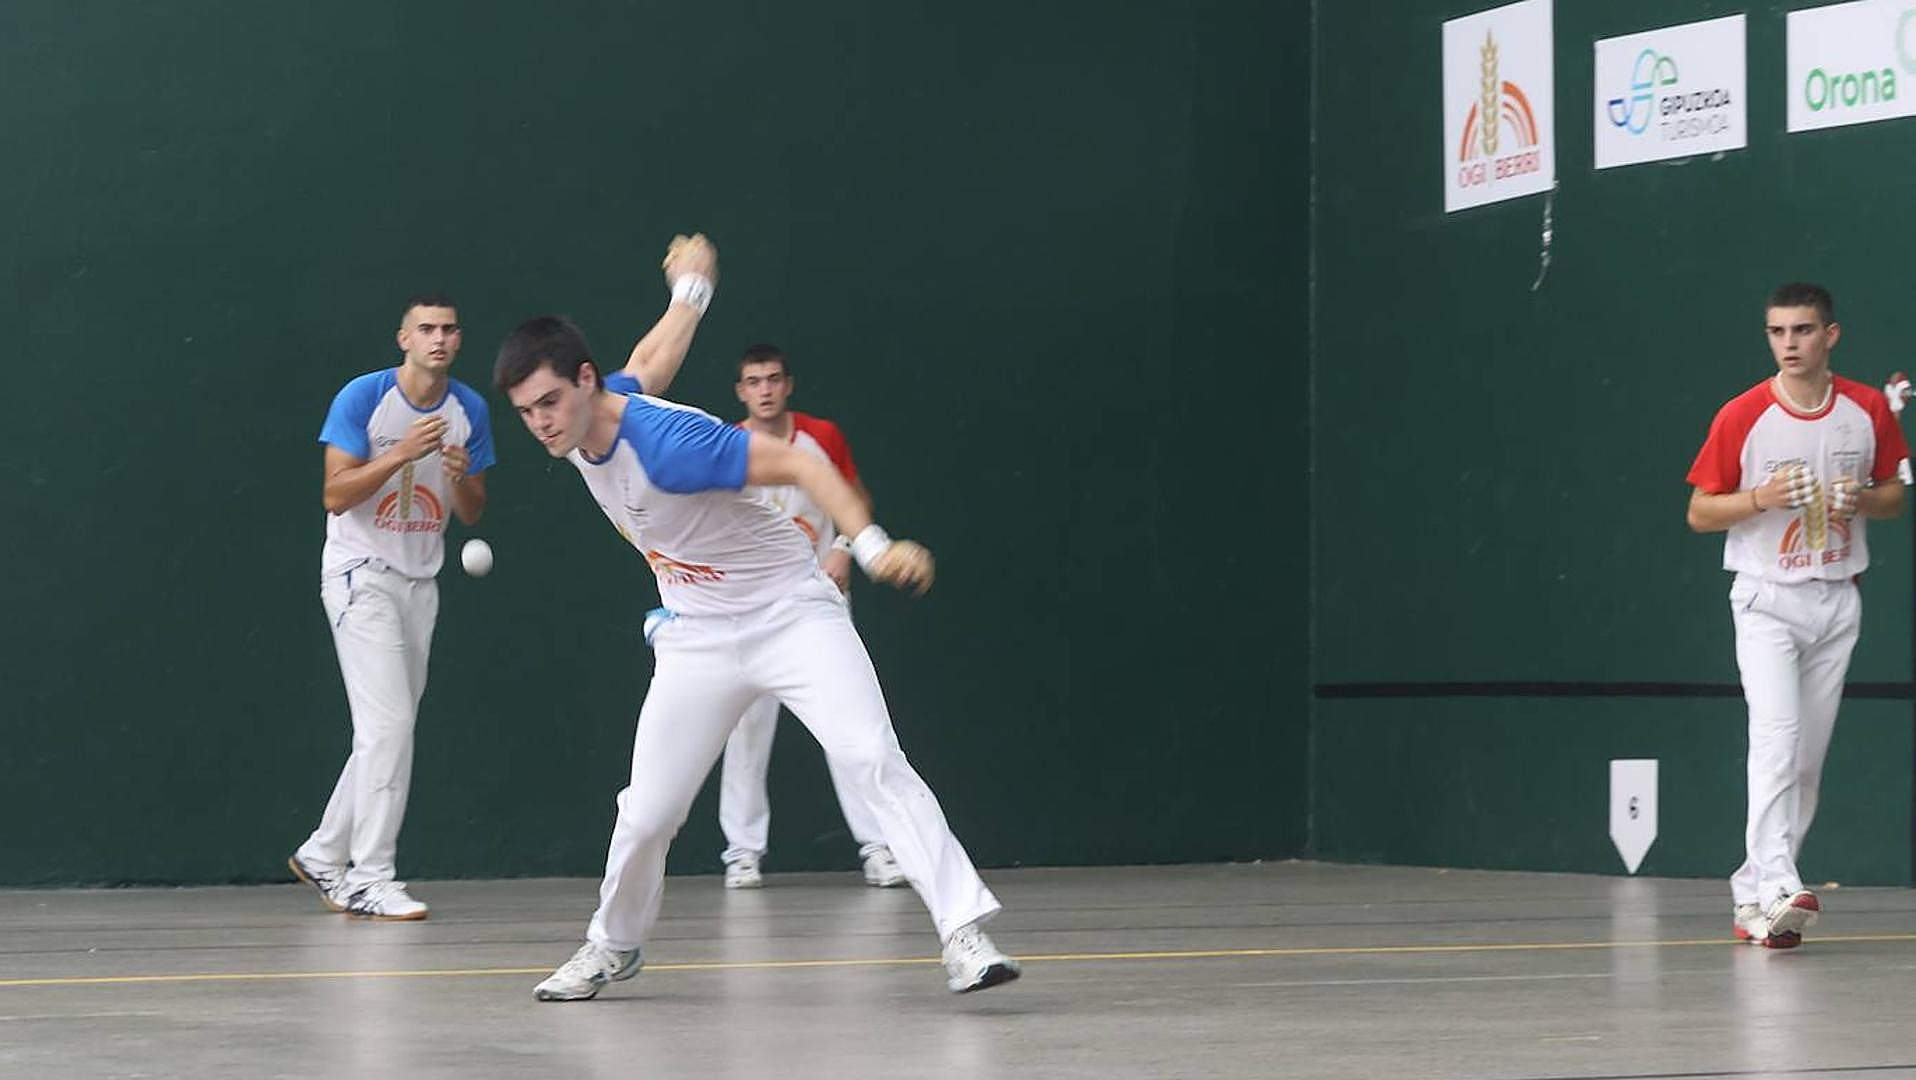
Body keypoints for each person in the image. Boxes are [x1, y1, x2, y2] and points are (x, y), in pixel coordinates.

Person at [494, 251, 1019, 1001]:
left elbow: (804, 469)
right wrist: (692, 289)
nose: (541, 423)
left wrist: (872, 548)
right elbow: (650, 359)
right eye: (525, 412)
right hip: (697, 633)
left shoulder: (673, 448)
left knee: (870, 756)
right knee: (648, 811)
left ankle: (964, 932)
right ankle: (611, 946)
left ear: (583, 381)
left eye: (548, 402)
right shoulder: (594, 410)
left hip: (789, 615)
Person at [1685, 281, 1909, 949]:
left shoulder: (1868, 409)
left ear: (1829, 335)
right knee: (1777, 741)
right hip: (1767, 602)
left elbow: (1893, 497)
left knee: (1805, 762)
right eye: (1778, 332)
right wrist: (1761, 497)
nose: (1789, 343)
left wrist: (1859, 500)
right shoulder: (1743, 414)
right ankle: (1782, 885)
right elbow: (1700, 512)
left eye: (1803, 330)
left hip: (1837, 600)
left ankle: (1754, 896)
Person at [289, 293, 494, 920]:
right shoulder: (363, 398)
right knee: (389, 728)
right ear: (404, 338)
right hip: (360, 576)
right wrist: (401, 453)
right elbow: (334, 494)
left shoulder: (470, 409)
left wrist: (458, 475)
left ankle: (324, 853)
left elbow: (473, 511)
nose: (439, 338)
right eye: (426, 329)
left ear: (459, 340)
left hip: (420, 583)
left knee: (388, 731)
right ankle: (370, 876)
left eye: (449, 329)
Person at [715, 343, 907, 891]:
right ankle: (742, 852)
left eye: (774, 379)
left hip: (819, 606)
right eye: (754, 381)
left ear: (789, 384)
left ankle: (878, 847)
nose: (765, 390)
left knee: (849, 726)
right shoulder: (726, 445)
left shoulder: (823, 437)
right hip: (751, 611)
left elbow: (855, 499)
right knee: (745, 732)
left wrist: (844, 546)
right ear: (741, 391)